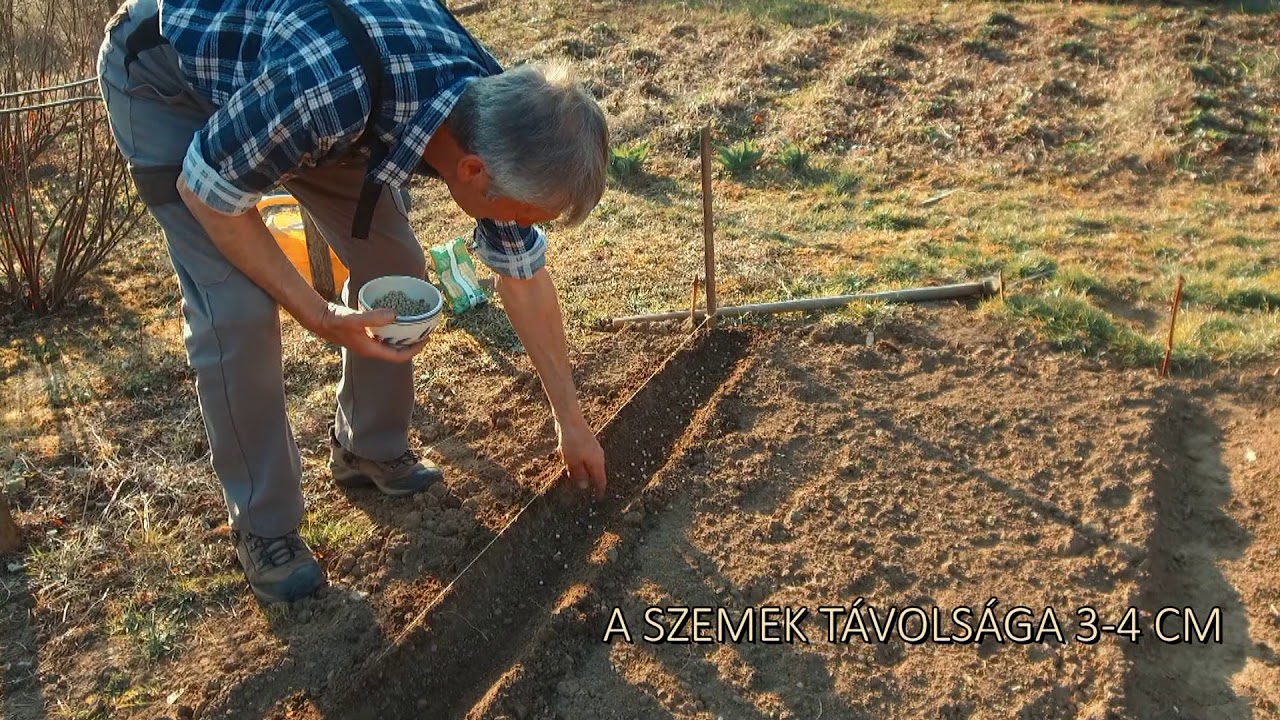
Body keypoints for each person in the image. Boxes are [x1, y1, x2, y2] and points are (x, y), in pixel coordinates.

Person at [97, 0, 610, 604]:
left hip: (302, 101)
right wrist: (317, 314)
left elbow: (522, 277)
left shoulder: (496, 113)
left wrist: (572, 421)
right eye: (523, 215)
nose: (520, 227)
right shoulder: (327, 87)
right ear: (473, 171)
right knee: (238, 309)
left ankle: (367, 447)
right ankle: (265, 526)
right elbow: (207, 190)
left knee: (396, 270)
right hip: (172, 75)